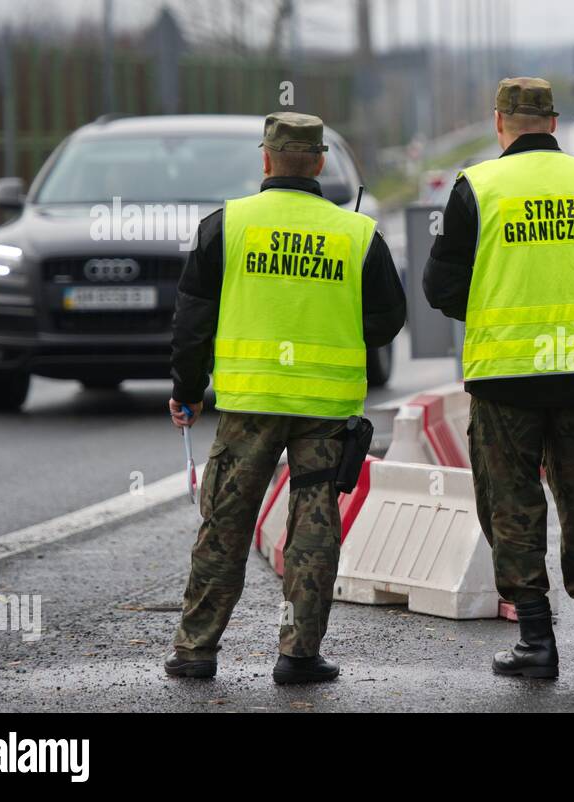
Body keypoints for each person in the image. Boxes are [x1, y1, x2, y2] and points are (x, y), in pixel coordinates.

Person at [164, 112, 405, 684]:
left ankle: (196, 650)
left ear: (265, 159)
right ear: (320, 162)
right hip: (325, 410)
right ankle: (298, 654)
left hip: (250, 403)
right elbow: (387, 321)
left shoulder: (228, 225)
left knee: (224, 525)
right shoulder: (358, 234)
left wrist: (187, 392)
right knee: (314, 529)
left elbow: (191, 322)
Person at [424, 78, 574, 679]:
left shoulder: (477, 188)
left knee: (512, 504)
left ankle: (536, 642)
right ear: (551, 121)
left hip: (507, 374)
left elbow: (439, 288)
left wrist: (499, 302)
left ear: (499, 122)